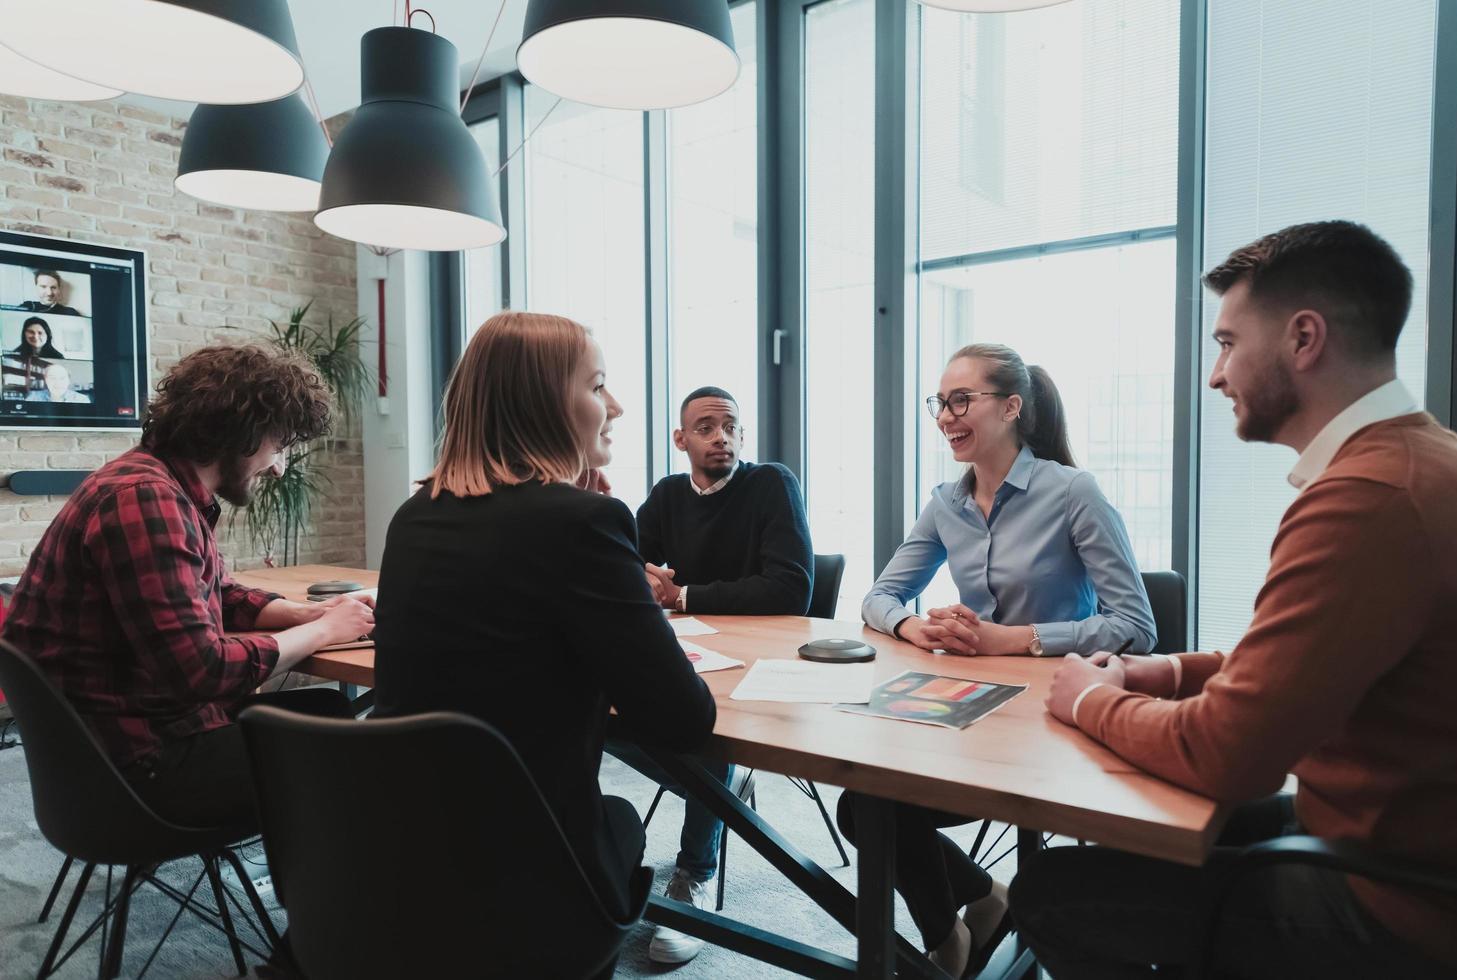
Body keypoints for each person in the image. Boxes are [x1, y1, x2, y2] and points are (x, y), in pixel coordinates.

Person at [1017, 221, 1457, 978]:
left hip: (1395, 902)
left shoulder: (1368, 498)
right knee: (1145, 829)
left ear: (1304, 339)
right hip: (1399, 843)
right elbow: (1312, 661)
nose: (1215, 375)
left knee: (1054, 891)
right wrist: (1169, 672)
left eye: (1228, 343)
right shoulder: (1424, 461)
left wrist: (1089, 700)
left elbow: (1225, 758)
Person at [371, 312, 716, 934]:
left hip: (401, 850)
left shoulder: (414, 515)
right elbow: (683, 720)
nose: (616, 406)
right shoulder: (584, 524)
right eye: (598, 385)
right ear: (543, 403)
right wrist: (602, 539)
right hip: (527, 868)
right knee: (619, 820)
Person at [841, 343, 1157, 978]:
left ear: (1012, 408)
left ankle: (962, 933)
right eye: (940, 402)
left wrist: (1012, 639)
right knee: (864, 803)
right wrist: (919, 627)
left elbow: (1136, 627)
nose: (946, 416)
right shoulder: (946, 502)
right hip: (962, 707)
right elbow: (878, 597)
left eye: (962, 400)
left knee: (880, 809)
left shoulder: (1073, 493)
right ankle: (970, 912)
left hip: (1050, 722)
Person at [1, 344, 375, 829]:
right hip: (140, 770)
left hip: (106, 751)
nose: (278, 467)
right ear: (241, 432)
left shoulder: (152, 483)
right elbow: (201, 669)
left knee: (328, 709)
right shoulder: (145, 500)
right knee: (360, 755)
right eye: (278, 445)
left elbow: (214, 592)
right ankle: (328, 876)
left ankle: (311, 865)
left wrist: (307, 614)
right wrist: (323, 633)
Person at [609, 386, 814, 964]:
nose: (720, 437)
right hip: (692, 650)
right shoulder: (667, 494)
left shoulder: (770, 483)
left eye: (730, 427)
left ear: (742, 436)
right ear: (681, 439)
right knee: (595, 709)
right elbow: (626, 563)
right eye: (705, 427)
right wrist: (643, 578)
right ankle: (721, 785)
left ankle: (694, 876)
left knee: (705, 733)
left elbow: (791, 589)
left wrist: (683, 595)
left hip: (759, 660)